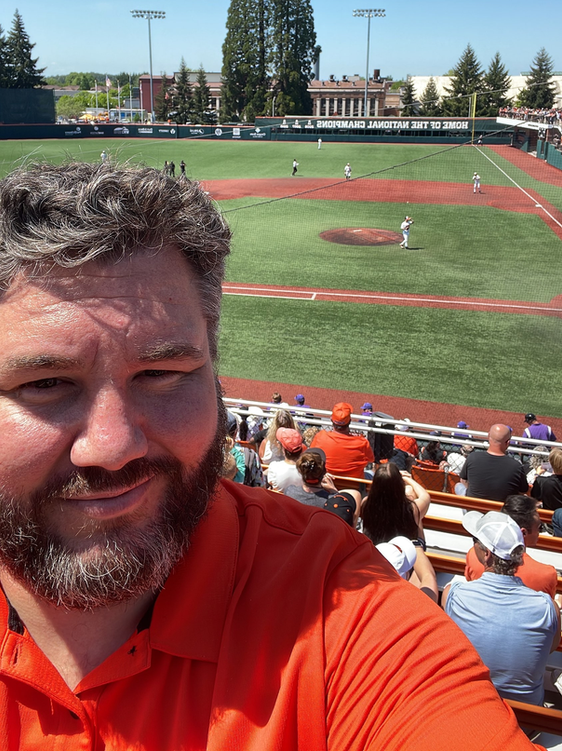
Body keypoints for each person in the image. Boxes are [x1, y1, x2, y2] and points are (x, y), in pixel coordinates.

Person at [0, 162, 538, 750]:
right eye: (45, 383)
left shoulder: (339, 608)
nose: (110, 446)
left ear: (214, 376)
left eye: (161, 372)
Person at [445, 511, 560, 705]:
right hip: (527, 722)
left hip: (468, 708)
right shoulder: (547, 607)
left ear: (487, 553)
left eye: (475, 540)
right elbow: (549, 647)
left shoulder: (454, 595)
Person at [464, 495, 557, 599]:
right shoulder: (546, 574)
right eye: (539, 527)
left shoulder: (474, 555)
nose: (539, 532)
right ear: (523, 533)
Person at [361, 463, 430, 548]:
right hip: (405, 550)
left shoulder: (365, 503)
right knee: (411, 497)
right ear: (399, 484)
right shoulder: (411, 509)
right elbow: (425, 496)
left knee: (412, 500)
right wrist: (407, 479)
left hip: (376, 546)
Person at [460, 423, 528, 501]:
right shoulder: (516, 466)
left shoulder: (472, 457)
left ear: (489, 437)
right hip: (502, 510)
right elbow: (523, 491)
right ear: (508, 443)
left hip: (473, 507)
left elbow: (463, 480)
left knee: (458, 486)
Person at [312, 402, 374, 480]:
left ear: (331, 419)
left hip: (327, 483)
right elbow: (370, 460)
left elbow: (312, 455)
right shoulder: (362, 442)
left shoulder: (320, 437)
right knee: (372, 472)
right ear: (350, 421)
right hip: (354, 487)